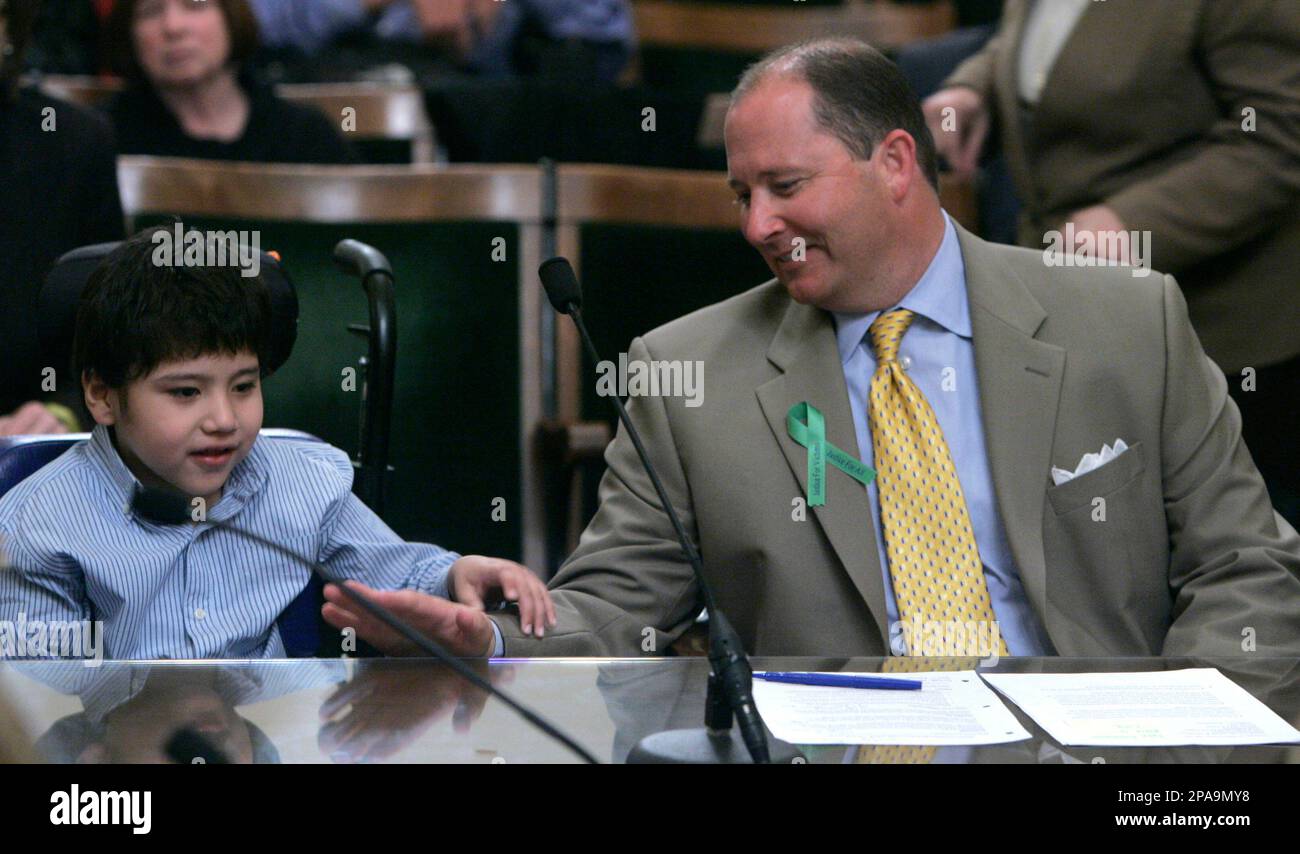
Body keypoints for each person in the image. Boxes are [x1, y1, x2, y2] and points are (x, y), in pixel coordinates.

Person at [321, 38, 1300, 661]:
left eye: (785, 185)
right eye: (740, 194)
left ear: (895, 162)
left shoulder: (1126, 322)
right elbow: (618, 610)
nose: (756, 223)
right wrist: (486, 639)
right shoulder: (688, 373)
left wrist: (1180, 755)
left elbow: (1245, 571)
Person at [0, 227, 554, 659]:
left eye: (244, 386)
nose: (223, 419)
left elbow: (400, 579)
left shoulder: (303, 483)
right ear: (101, 395)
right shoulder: (36, 527)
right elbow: (42, 698)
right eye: (186, 392)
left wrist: (455, 576)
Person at [921, 0, 1300, 526]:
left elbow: (1280, 134)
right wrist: (975, 88)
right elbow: (1039, 42)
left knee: (1234, 551)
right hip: (1083, 305)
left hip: (1223, 337)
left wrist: (1129, 221)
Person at [0, 0, 125, 434]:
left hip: (39, 448)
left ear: (9, 30)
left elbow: (108, 328)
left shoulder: (73, 142)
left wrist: (62, 412)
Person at [103, 0, 356, 163]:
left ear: (231, 15)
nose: (173, 27)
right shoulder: (103, 140)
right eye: (150, 11)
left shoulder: (304, 136)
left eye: (195, 5)